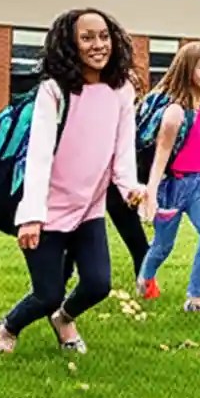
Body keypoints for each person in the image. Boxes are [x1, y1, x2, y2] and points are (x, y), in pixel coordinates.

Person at [0, 8, 146, 355]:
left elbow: (122, 152)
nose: (98, 44)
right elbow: (39, 155)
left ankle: (64, 319)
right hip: (47, 210)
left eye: (104, 36)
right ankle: (9, 325)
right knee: (47, 293)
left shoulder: (121, 90)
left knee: (97, 284)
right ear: (70, 44)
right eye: (87, 37)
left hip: (88, 208)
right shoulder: (54, 91)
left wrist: (132, 189)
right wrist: (31, 215)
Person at [136, 41, 200, 314]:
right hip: (171, 187)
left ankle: (195, 299)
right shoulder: (174, 112)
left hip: (199, 186)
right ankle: (144, 278)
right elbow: (161, 157)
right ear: (186, 69)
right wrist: (151, 195)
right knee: (163, 246)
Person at [62, 71, 150, 287]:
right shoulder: (98, 114)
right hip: (99, 185)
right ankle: (55, 287)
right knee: (74, 241)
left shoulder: (137, 118)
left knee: (136, 240)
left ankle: (147, 286)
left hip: (118, 186)